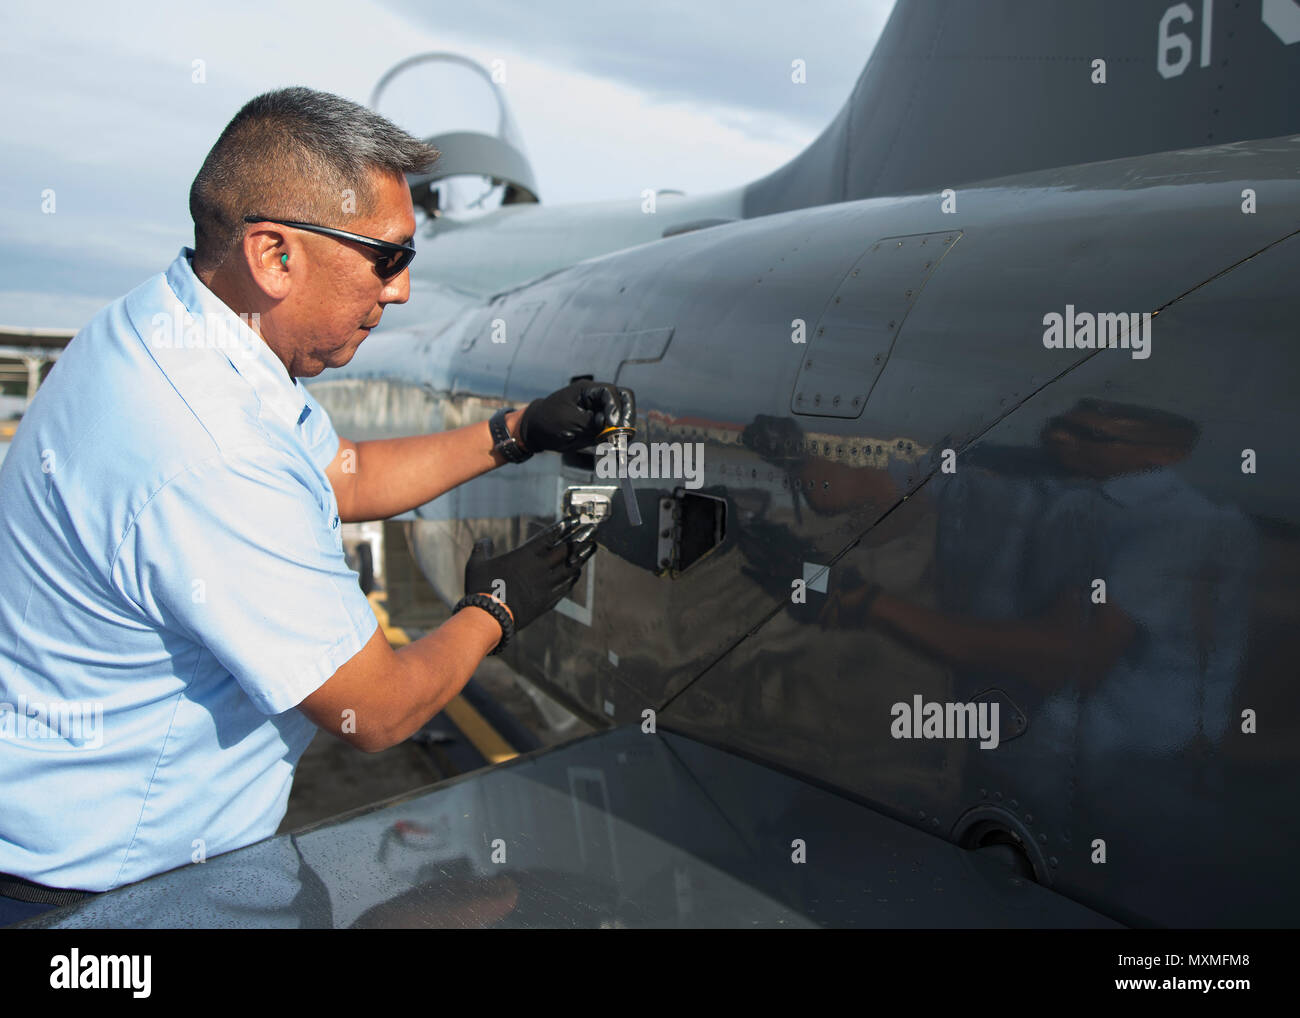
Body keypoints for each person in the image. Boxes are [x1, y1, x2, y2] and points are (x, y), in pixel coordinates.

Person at [0, 86, 631, 925]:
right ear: (275, 256)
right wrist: (494, 610)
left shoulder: (177, 331)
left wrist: (516, 431)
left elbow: (342, 473)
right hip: (115, 898)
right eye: (388, 258)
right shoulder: (210, 444)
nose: (400, 292)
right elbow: (371, 710)